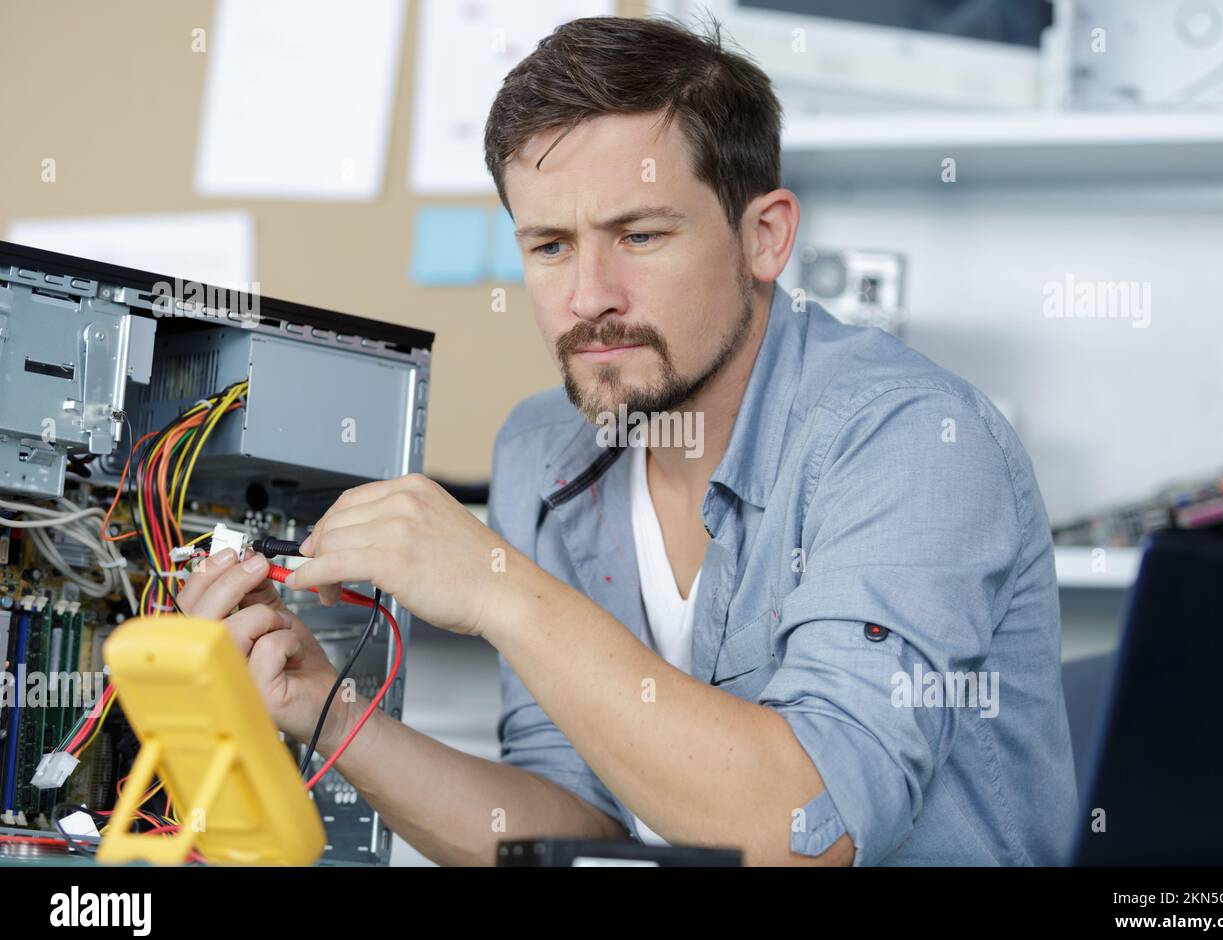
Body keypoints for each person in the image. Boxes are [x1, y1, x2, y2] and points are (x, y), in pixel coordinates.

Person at [177, 15, 1077, 866]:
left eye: (639, 235)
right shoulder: (542, 450)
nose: (587, 296)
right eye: (550, 246)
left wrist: (499, 587)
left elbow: (804, 831)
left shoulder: (912, 441)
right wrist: (331, 715)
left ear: (764, 238)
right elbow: (570, 828)